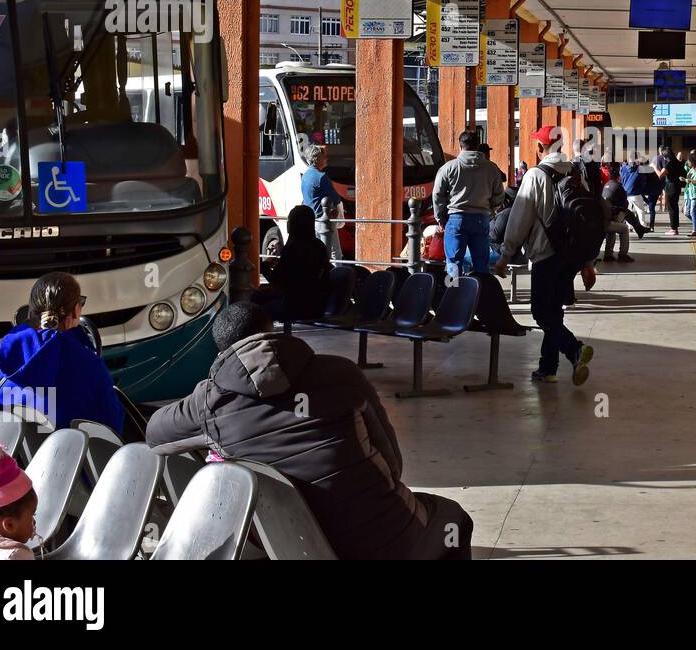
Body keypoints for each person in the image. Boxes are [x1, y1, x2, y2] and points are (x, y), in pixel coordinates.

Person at [146, 302, 474, 560]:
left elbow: (155, 435)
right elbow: (393, 463)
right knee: (454, 520)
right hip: (385, 539)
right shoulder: (341, 372)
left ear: (221, 350)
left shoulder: (210, 403)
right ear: (270, 330)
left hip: (295, 545)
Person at [494, 125, 595, 385]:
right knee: (554, 311)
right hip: (571, 254)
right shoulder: (575, 172)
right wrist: (587, 261)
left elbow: (519, 219)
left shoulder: (535, 175)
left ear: (540, 148)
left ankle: (574, 349)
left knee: (541, 312)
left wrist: (505, 255)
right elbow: (584, 218)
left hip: (546, 254)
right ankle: (548, 368)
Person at [0, 272, 124, 433]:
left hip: (8, 447)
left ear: (31, 311)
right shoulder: (88, 362)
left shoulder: (9, 348)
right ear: (75, 311)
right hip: (66, 454)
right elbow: (112, 425)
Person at [432, 129, 505, 277]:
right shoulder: (491, 168)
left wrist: (441, 218)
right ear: (478, 146)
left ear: (460, 146)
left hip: (456, 219)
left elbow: (437, 195)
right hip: (481, 219)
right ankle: (481, 294)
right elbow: (499, 195)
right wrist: (491, 209)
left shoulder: (448, 168)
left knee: (453, 263)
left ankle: (453, 294)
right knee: (481, 263)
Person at [256, 204, 334, 322]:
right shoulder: (320, 246)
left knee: (256, 299)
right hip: (317, 305)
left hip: (294, 306)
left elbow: (277, 280)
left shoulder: (293, 249)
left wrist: (266, 264)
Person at [301, 145, 344, 262]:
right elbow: (336, 199)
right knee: (335, 253)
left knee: (317, 253)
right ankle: (336, 277)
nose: (326, 158)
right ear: (317, 159)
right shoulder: (321, 177)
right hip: (324, 220)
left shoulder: (305, 176)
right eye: (323, 156)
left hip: (312, 220)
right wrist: (341, 217)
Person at [602, 178, 635, 263]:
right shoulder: (617, 187)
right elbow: (624, 203)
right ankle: (623, 255)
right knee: (624, 228)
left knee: (613, 228)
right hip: (603, 223)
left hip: (601, 222)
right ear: (618, 178)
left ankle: (608, 254)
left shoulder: (605, 186)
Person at [620, 153, 649, 229]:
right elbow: (643, 181)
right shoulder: (640, 168)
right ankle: (643, 225)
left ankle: (629, 226)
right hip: (636, 192)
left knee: (629, 210)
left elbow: (621, 180)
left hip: (626, 192)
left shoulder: (623, 168)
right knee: (640, 210)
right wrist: (640, 189)